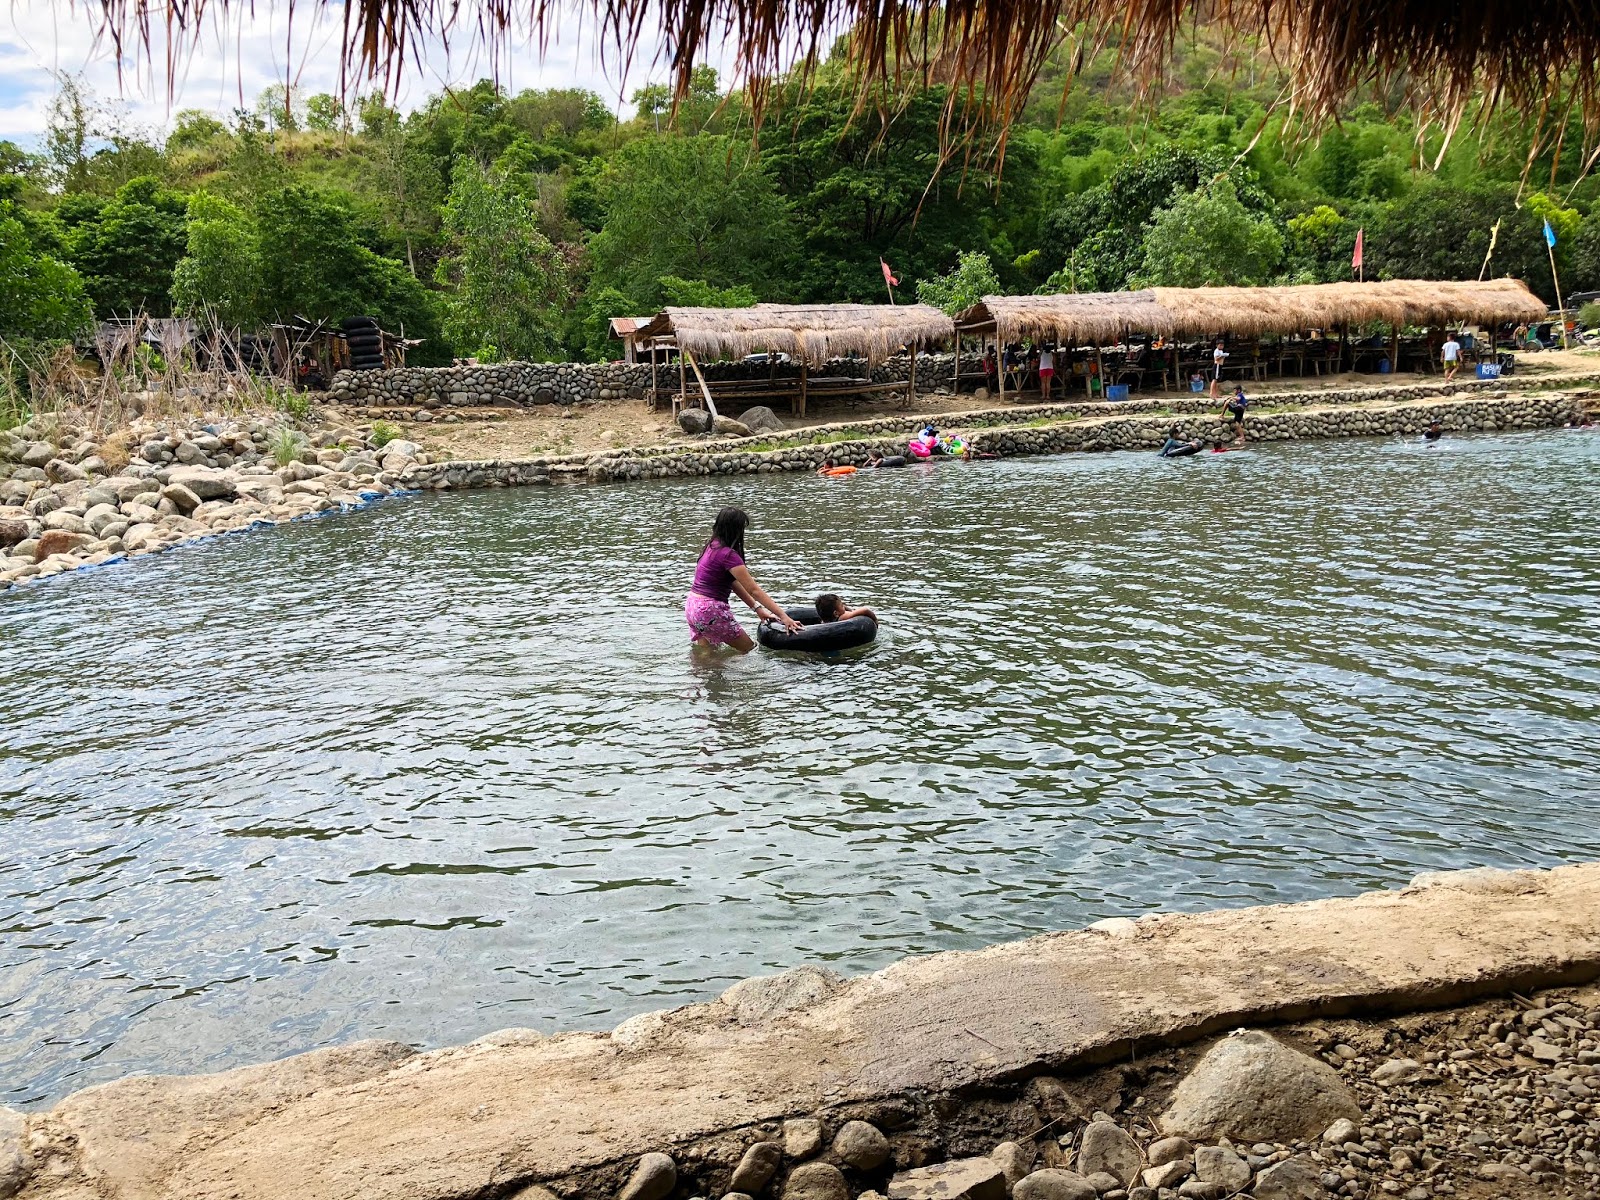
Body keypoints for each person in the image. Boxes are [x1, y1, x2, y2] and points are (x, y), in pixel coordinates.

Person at [685, 507, 800, 654]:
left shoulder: (710, 546)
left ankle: (707, 668)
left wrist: (758, 609)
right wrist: (784, 617)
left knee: (707, 654)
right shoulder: (729, 555)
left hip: (692, 606)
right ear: (737, 530)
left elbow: (733, 583)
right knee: (749, 649)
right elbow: (754, 590)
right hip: (709, 610)